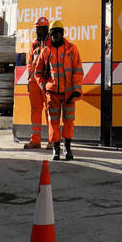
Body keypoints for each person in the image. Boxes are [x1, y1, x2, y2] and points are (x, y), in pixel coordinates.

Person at [34, 19, 83, 161]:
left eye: (57, 32)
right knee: (53, 122)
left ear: (62, 33)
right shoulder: (46, 51)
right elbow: (38, 73)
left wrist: (76, 90)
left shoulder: (72, 49)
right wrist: (44, 87)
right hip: (53, 94)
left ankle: (67, 148)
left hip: (69, 94)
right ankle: (56, 149)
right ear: (51, 34)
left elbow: (78, 71)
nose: (55, 35)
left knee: (69, 121)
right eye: (53, 33)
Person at [22, 16, 50, 151]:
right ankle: (35, 140)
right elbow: (29, 63)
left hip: (46, 82)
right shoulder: (34, 44)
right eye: (37, 29)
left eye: (41, 29)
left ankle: (52, 140)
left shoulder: (52, 43)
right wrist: (29, 79)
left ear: (47, 29)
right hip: (34, 83)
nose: (38, 31)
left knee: (50, 111)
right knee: (35, 111)